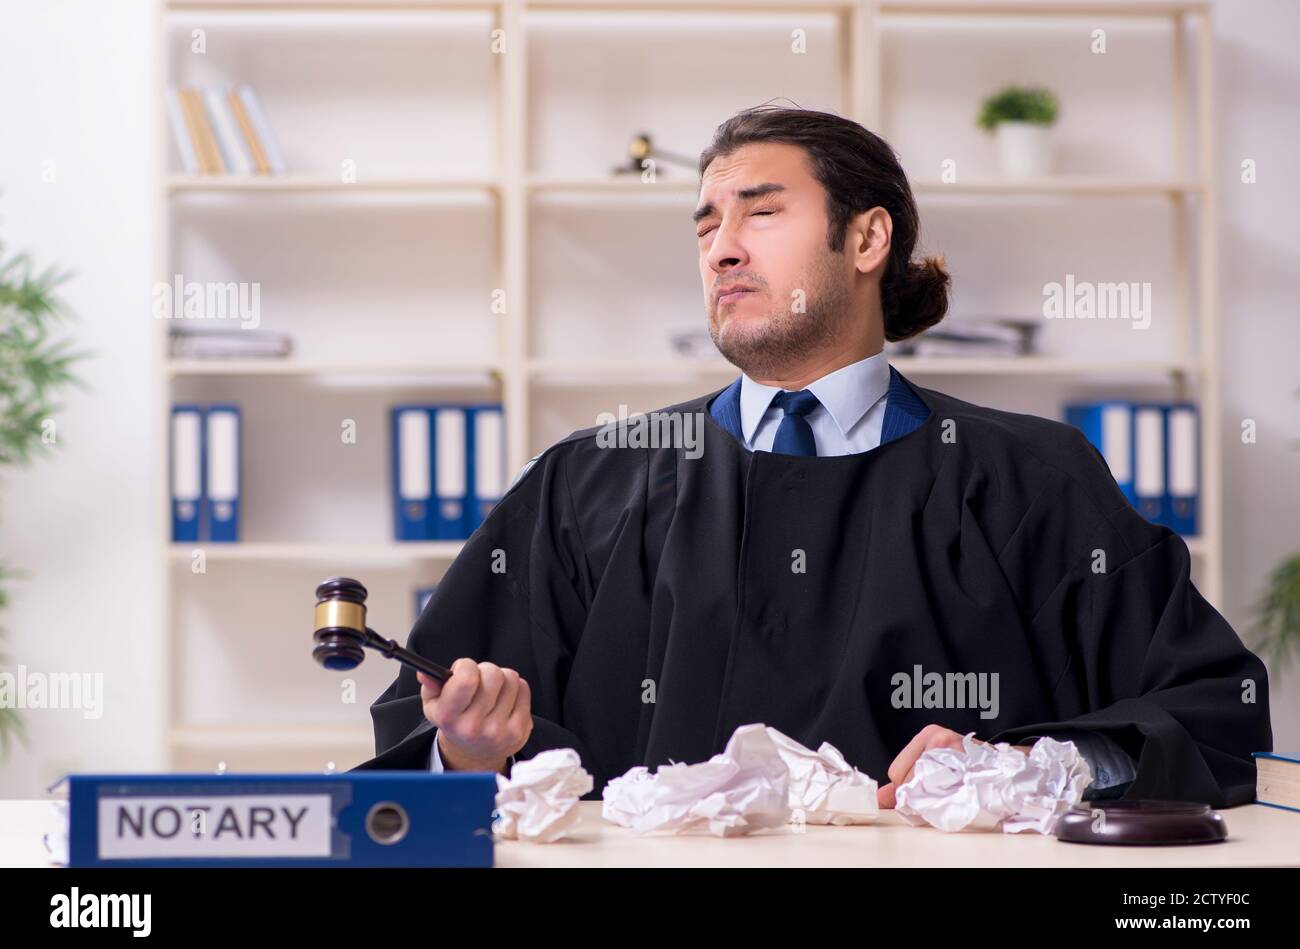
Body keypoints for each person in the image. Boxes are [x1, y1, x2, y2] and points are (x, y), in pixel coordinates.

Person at [356, 106, 1270, 808]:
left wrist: (1035, 762)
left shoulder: (1032, 480)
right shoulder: (588, 481)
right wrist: (468, 751)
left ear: (867, 239)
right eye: (706, 224)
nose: (722, 249)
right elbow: (431, 720)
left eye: (760, 212)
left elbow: (1213, 706)